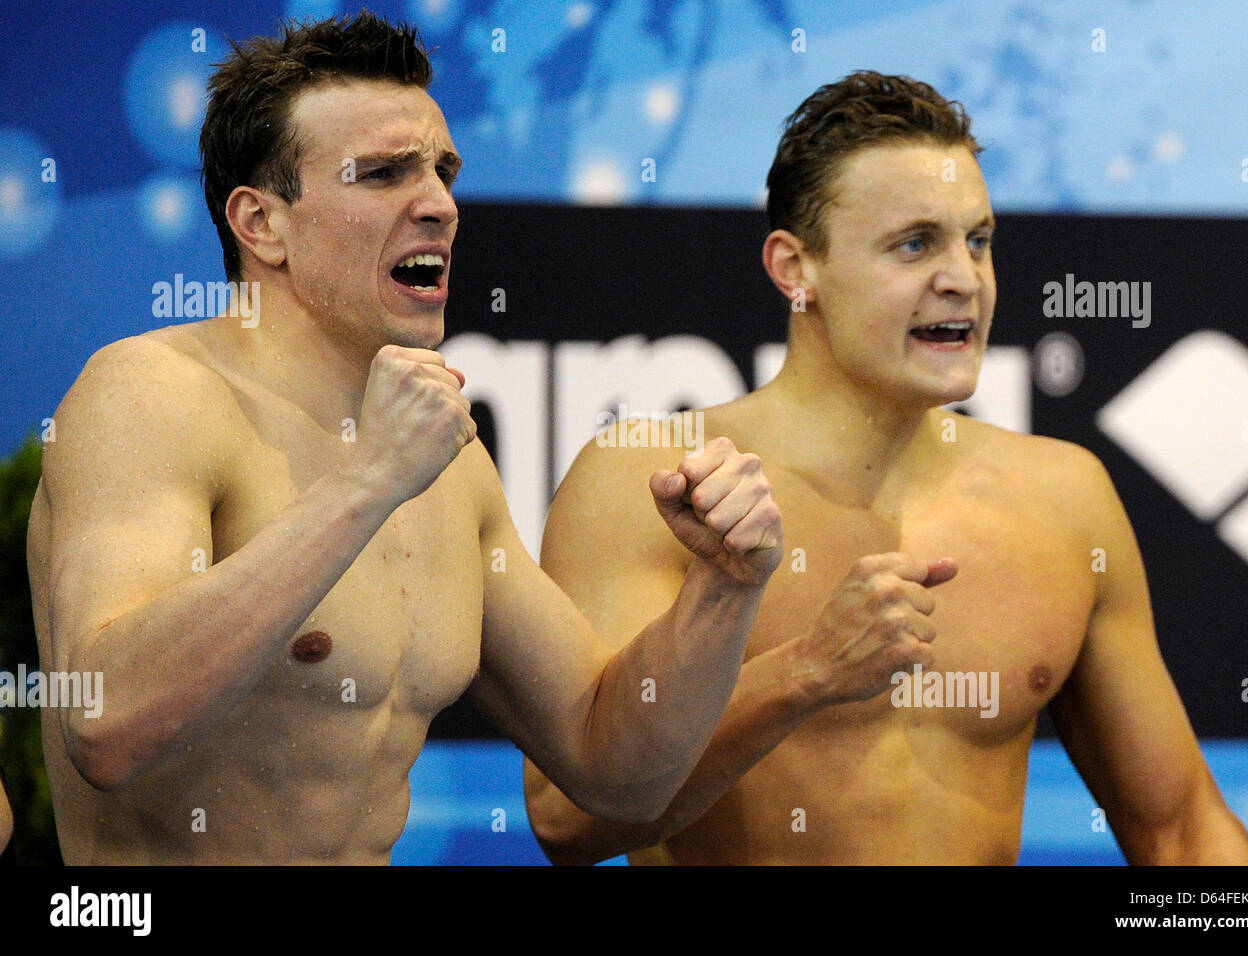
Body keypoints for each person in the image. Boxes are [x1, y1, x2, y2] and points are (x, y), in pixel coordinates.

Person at [25, 13, 785, 864]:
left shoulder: (446, 466)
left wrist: (722, 591)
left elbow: (616, 772)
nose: (439, 205)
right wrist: (366, 483)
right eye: (383, 174)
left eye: (442, 171)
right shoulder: (153, 394)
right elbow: (107, 723)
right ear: (261, 224)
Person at [524, 71, 1248, 865]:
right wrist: (805, 673)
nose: (963, 278)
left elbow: (1179, 832)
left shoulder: (1064, 496)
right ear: (794, 269)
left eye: (977, 240)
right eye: (915, 244)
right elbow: (571, 822)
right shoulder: (652, 484)